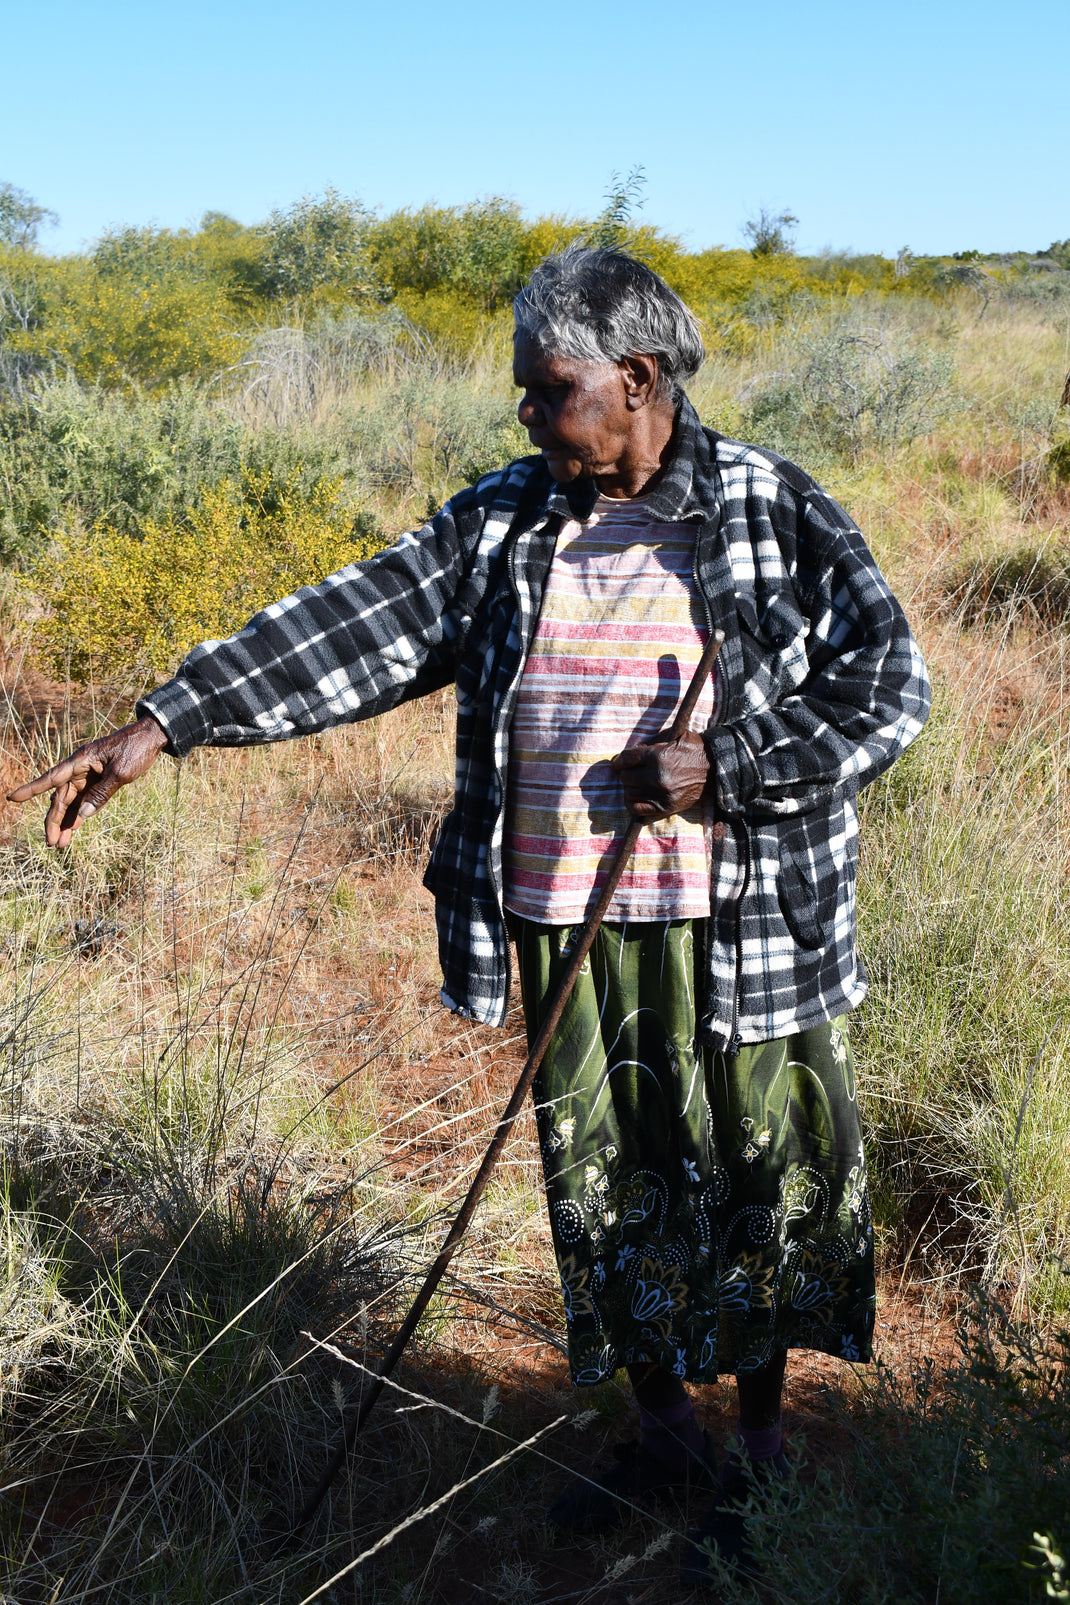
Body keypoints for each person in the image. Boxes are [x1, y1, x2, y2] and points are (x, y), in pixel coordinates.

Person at [8, 246, 930, 1579]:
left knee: (754, 1185)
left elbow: (888, 685)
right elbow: (356, 622)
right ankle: (664, 1428)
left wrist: (725, 765)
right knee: (611, 1186)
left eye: (546, 391)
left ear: (638, 381)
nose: (525, 416)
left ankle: (765, 1454)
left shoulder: (768, 509)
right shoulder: (505, 520)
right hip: (566, 919)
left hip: (748, 931)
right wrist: (171, 716)